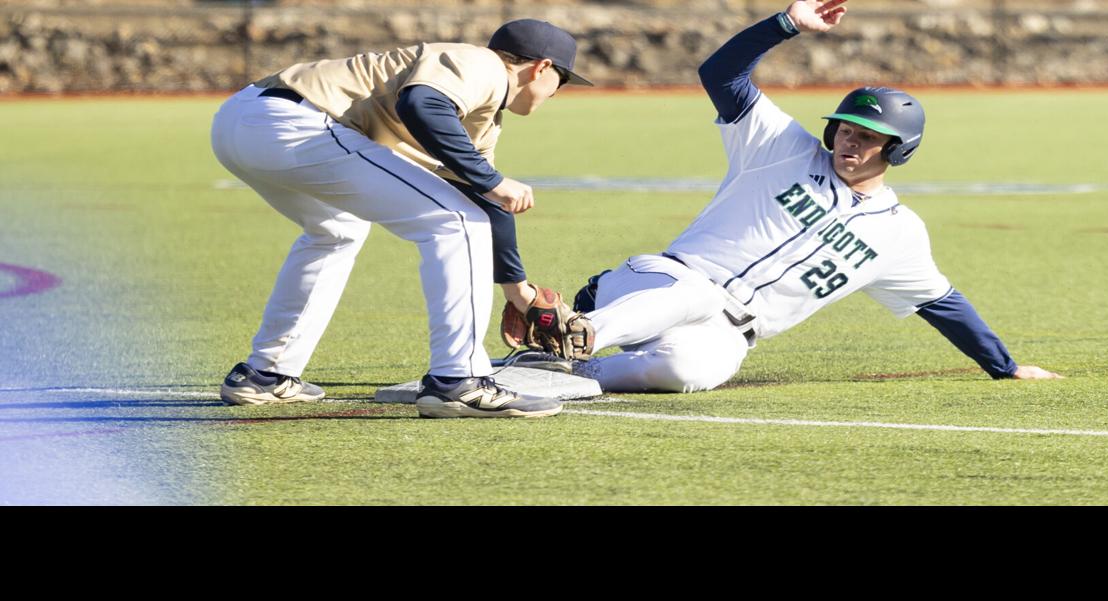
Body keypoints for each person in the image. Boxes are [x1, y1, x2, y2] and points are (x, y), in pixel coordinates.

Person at [542, 1, 1061, 393]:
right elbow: (719, 74)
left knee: (690, 372)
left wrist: (1006, 367)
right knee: (699, 295)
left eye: (867, 135)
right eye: (844, 129)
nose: (849, 140)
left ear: (898, 150)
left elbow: (943, 304)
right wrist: (785, 25)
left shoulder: (898, 234)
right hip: (662, 281)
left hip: (725, 335)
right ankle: (580, 329)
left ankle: (559, 371)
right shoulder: (780, 147)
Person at [211, 18, 588, 418]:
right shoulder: (484, 65)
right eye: (561, 82)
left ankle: (266, 373)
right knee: (456, 222)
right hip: (296, 125)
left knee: (337, 232)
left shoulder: (481, 113)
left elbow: (488, 202)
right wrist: (492, 180)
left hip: (246, 123)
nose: (557, 93)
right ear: (542, 68)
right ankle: (457, 381)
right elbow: (422, 104)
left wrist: (520, 292)